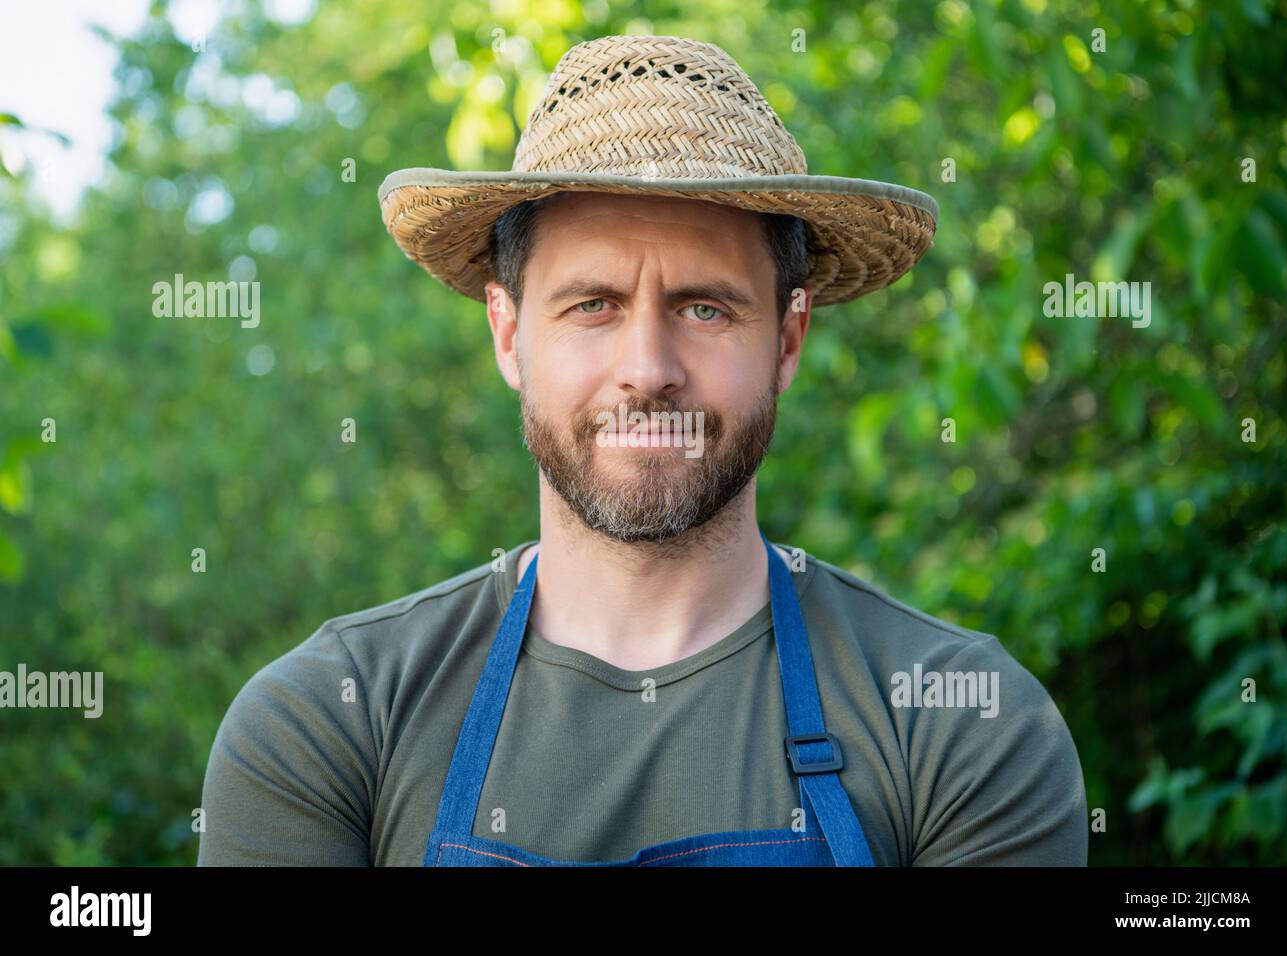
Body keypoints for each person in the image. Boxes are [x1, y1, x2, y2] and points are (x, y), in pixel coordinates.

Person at [198, 33, 1087, 866]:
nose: (649, 369)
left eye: (705, 307)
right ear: (508, 335)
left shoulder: (962, 722)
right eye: (594, 305)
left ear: (787, 340)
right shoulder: (330, 722)